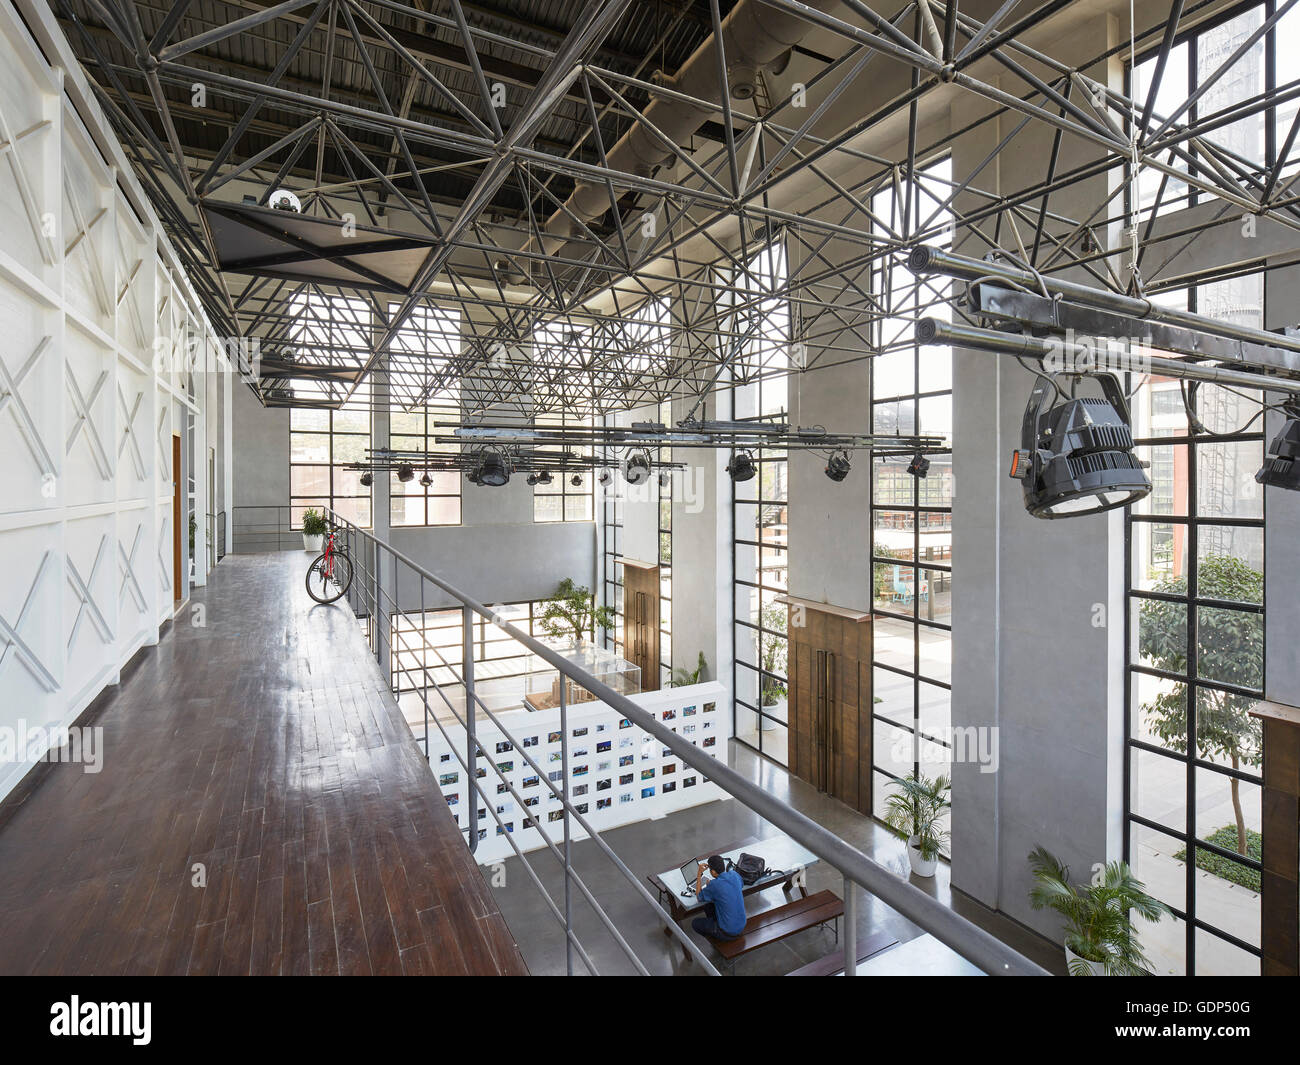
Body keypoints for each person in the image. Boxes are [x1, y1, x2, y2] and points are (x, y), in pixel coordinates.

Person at [691, 855, 746, 941]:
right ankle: (714, 928)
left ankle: (715, 939)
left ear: (713, 872)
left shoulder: (714, 885)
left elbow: (698, 896)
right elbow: (740, 884)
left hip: (727, 933)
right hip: (741, 926)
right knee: (708, 906)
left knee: (695, 923)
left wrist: (699, 875)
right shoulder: (734, 874)